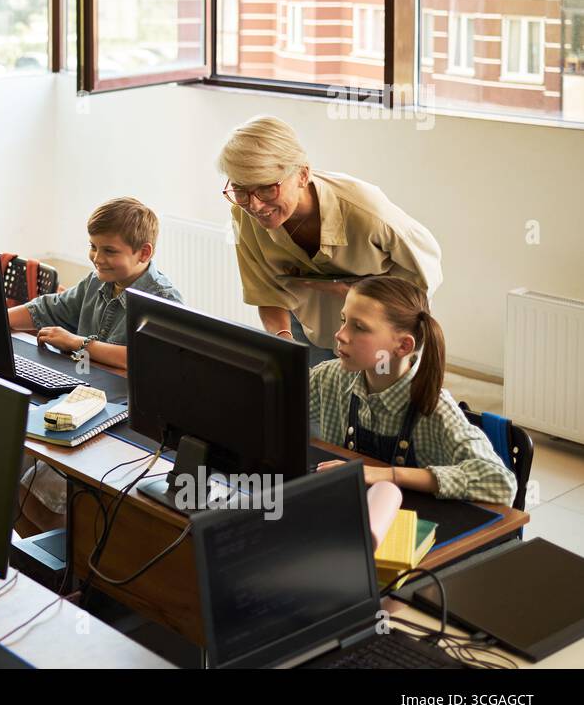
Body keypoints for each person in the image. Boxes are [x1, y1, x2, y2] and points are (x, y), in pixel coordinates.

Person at [218, 116, 442, 367]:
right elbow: (267, 295)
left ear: (302, 175)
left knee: (379, 403)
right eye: (240, 190)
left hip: (379, 333)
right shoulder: (242, 214)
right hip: (307, 326)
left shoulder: (367, 212)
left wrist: (354, 292)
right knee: (313, 400)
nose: (255, 205)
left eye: (267, 189)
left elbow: (423, 279)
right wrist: (284, 344)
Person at [312, 277, 516, 506]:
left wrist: (388, 474)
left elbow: (501, 483)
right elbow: (275, 405)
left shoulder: (435, 408)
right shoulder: (331, 377)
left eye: (359, 327)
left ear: (403, 346)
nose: (340, 334)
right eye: (343, 320)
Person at [7, 197, 183, 373]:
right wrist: (0, 318)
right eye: (93, 246)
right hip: (85, 380)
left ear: (144, 253)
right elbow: (49, 309)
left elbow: (141, 358)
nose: (97, 258)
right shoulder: (95, 281)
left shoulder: (164, 299)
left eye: (109, 251)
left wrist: (77, 342)